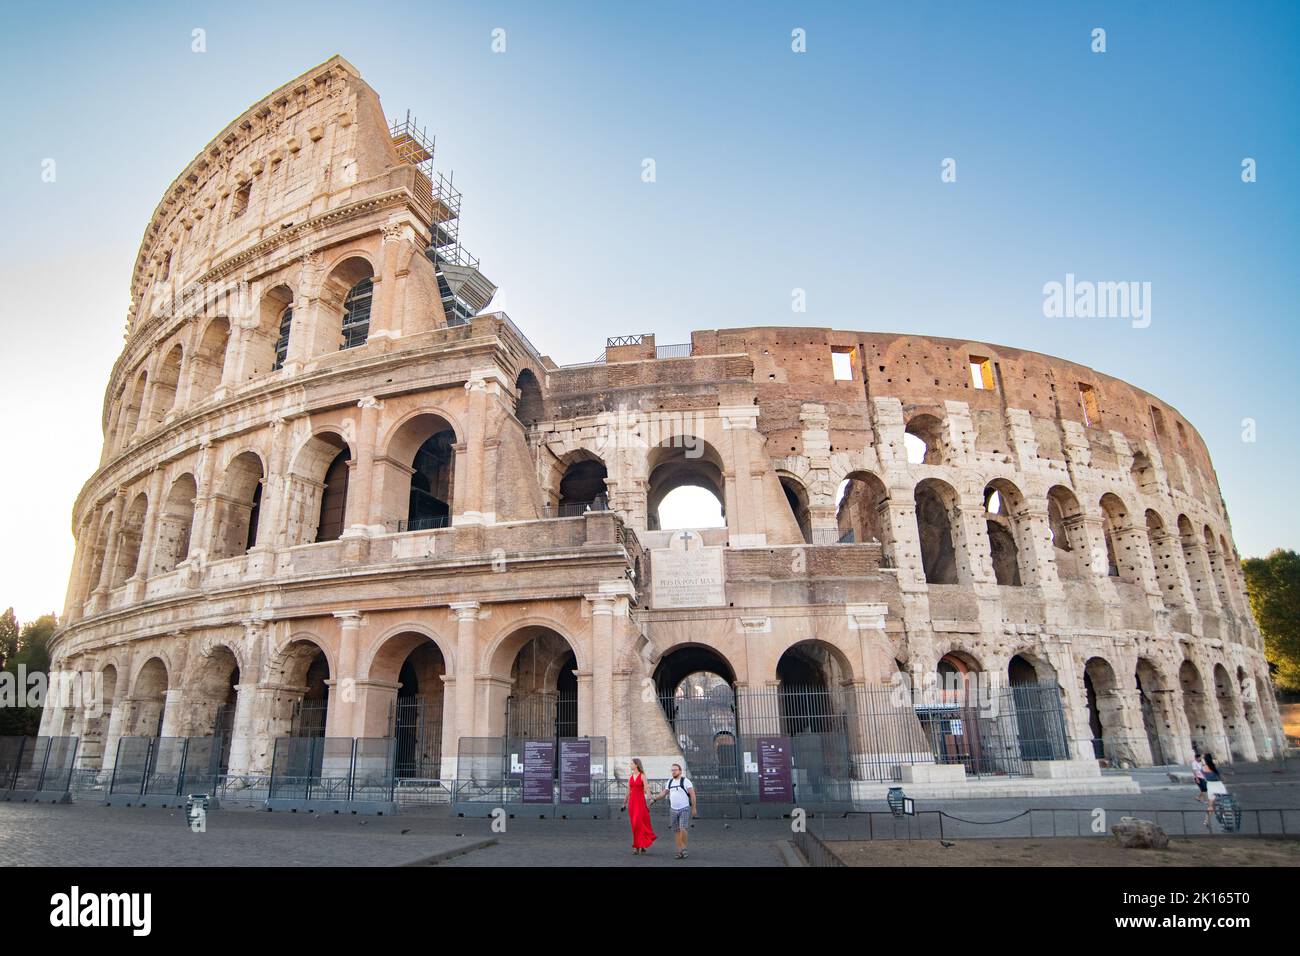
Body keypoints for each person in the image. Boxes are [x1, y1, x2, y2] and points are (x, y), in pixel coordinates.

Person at [651, 762, 697, 859]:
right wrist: (655, 799)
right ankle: (679, 850)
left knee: (683, 828)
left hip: (684, 808)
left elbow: (692, 795)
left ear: (680, 771)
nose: (673, 772)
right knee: (676, 831)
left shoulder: (686, 781)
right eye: (672, 770)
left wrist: (693, 808)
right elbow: (664, 793)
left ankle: (684, 848)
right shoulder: (670, 782)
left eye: (675, 770)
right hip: (673, 809)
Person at [621, 758, 656, 854]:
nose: (630, 765)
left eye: (631, 763)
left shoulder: (642, 776)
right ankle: (638, 845)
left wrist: (650, 798)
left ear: (636, 765)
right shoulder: (630, 776)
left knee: (638, 823)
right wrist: (624, 803)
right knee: (634, 825)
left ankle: (640, 845)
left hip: (640, 803)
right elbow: (628, 791)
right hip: (632, 803)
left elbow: (647, 789)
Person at [1201, 753, 1226, 830]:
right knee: (1223, 803)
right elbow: (1222, 777)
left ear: (1205, 759)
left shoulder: (1203, 768)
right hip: (1219, 785)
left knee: (1211, 805)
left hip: (1211, 786)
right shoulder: (1215, 767)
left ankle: (1206, 820)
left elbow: (1204, 778)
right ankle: (1224, 818)